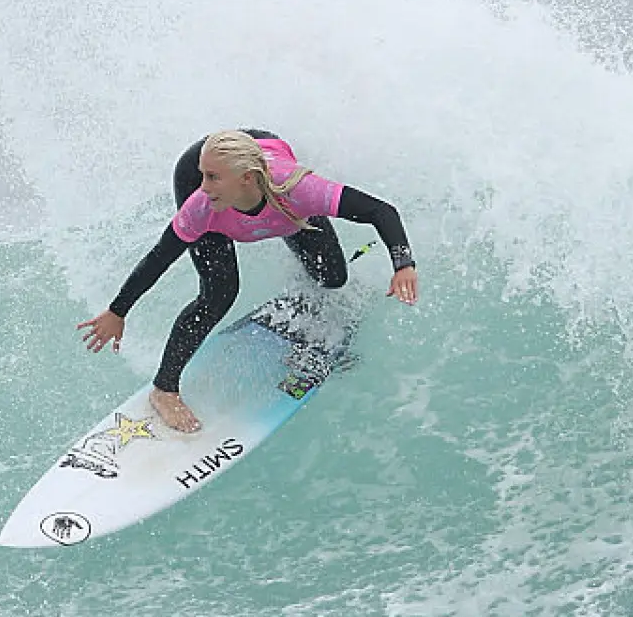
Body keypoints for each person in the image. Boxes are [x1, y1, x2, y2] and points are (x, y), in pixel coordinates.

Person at [77, 129, 418, 433]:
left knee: (332, 277)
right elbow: (160, 257)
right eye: (203, 178)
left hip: (257, 163)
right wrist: (117, 311)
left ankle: (301, 296)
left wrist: (403, 264)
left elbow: (381, 212)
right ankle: (164, 390)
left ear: (248, 179)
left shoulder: (298, 191)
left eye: (212, 178)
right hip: (224, 160)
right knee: (219, 294)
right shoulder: (203, 204)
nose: (204, 187)